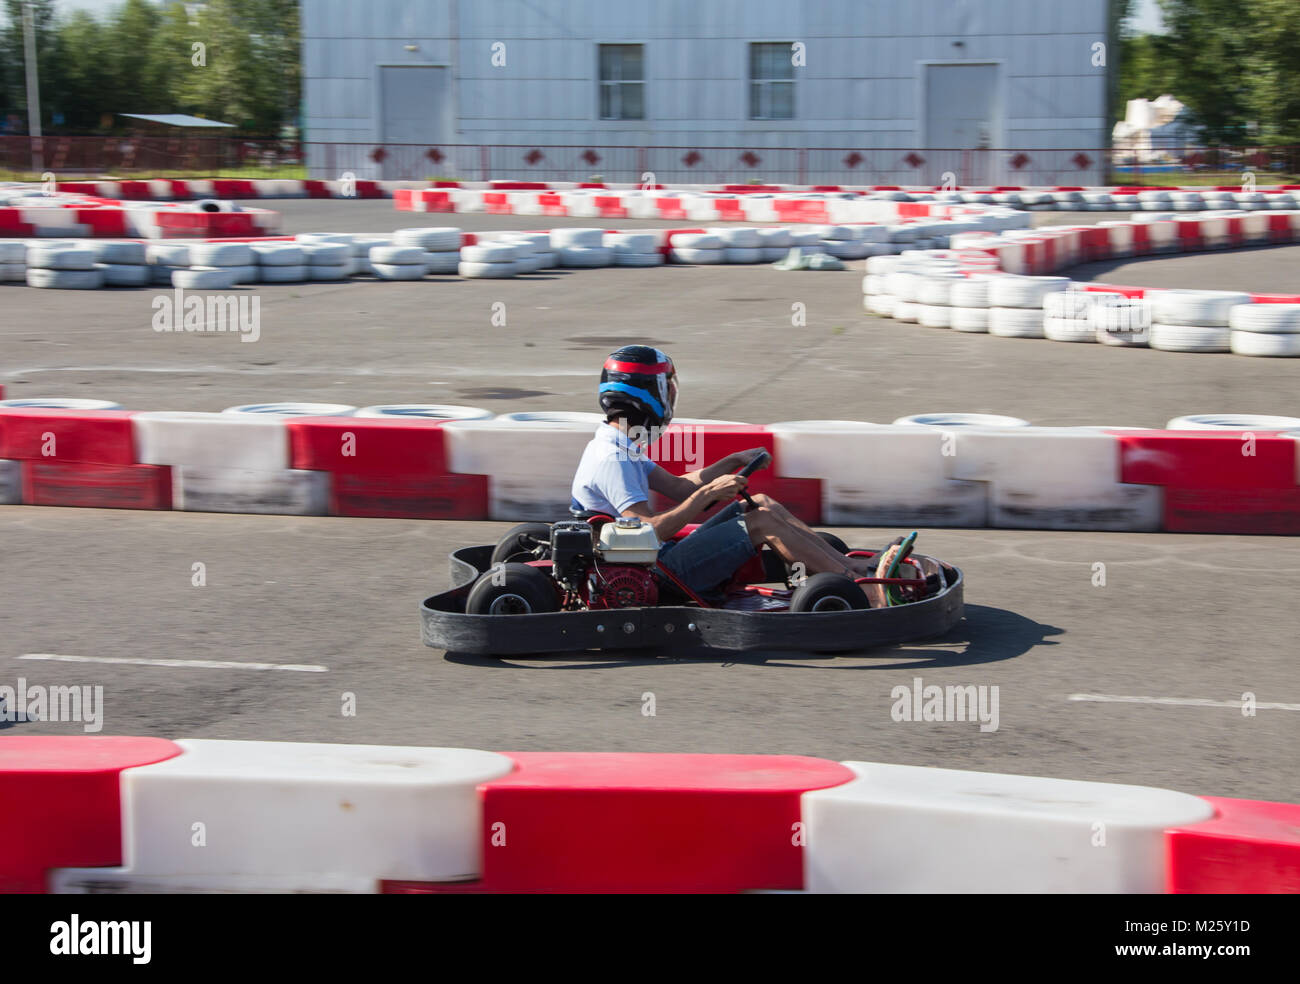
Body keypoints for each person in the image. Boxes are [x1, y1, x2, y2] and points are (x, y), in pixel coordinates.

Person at [570, 344, 894, 605]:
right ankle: (859, 587)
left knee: (759, 503)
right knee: (760, 521)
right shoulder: (614, 459)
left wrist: (733, 460)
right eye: (665, 389)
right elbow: (646, 535)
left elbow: (680, 487)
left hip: (655, 561)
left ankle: (849, 567)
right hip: (655, 572)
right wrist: (709, 494)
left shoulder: (621, 447)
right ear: (647, 395)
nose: (669, 396)